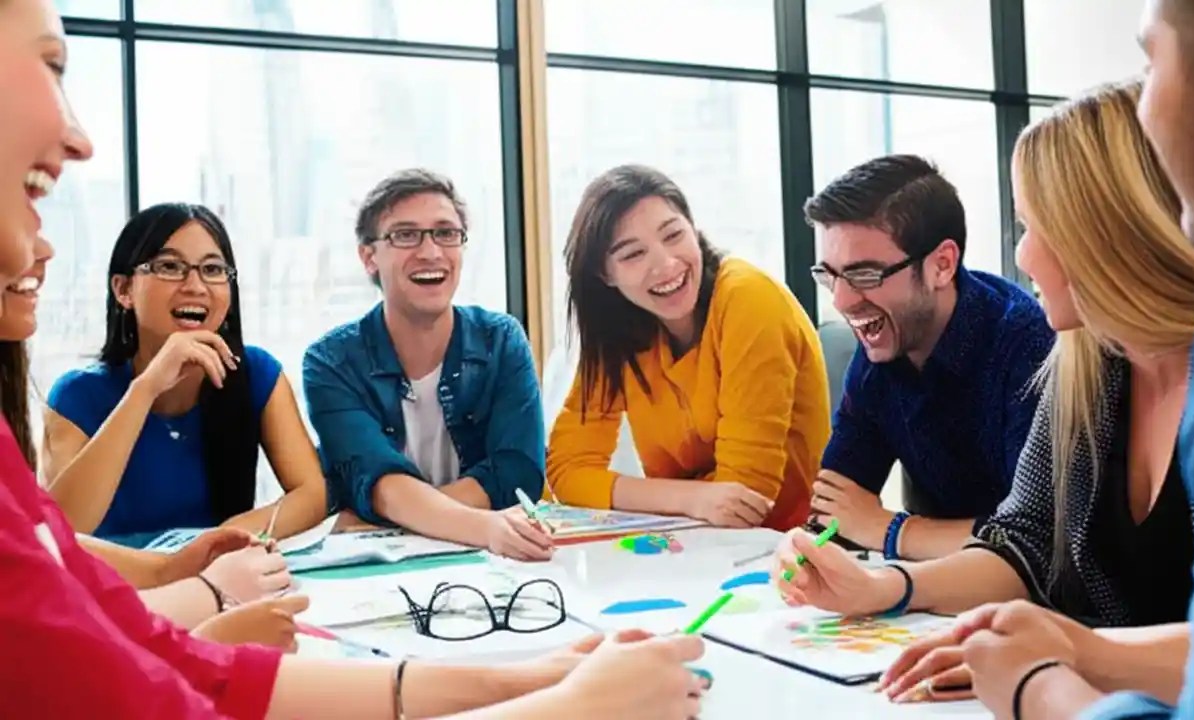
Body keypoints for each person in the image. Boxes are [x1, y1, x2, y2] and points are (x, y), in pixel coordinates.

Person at [1, 2, 707, 718]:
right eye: (406, 236)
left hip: (235, 584)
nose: (197, 287)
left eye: (214, 270)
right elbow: (67, 536)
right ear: (369, 257)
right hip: (214, 588)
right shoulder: (313, 360)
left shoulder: (469, 344)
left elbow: (382, 489)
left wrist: (528, 679)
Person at [773, 80, 1194, 701]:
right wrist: (887, 587)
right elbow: (1020, 544)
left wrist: (1074, 655)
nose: (1020, 255)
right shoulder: (1088, 366)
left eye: (1033, 225)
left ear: (1109, 231)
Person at [942, 2, 1194, 719]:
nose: (1020, 254)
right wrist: (1076, 651)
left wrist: (1039, 688)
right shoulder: (1084, 368)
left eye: (1151, 64)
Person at [546, 164, 830, 531]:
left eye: (674, 235)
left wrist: (658, 499)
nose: (666, 264)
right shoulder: (619, 330)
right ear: (605, 275)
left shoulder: (749, 299)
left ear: (693, 228)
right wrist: (694, 499)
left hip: (784, 545)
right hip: (690, 540)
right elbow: (568, 472)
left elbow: (745, 497)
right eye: (633, 255)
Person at [806, 155, 1054, 560]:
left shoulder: (1028, 347)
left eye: (865, 275)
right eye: (829, 275)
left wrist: (890, 529)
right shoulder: (883, 341)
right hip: (932, 594)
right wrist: (804, 550)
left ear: (942, 265)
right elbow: (837, 509)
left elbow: (1036, 540)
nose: (841, 300)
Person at [40, 202, 327, 547]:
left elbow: (311, 495)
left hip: (218, 580)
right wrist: (145, 389)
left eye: (213, 269)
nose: (195, 285)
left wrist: (219, 540)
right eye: (170, 266)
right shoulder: (76, 395)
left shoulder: (254, 373)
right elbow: (62, 529)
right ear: (123, 289)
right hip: (117, 587)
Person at [303, 169, 553, 561]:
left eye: (445, 233)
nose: (431, 251)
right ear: (369, 257)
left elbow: (517, 471)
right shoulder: (330, 362)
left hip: (493, 560)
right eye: (405, 235)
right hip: (381, 570)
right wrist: (479, 526)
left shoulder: (501, 340)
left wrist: (402, 519)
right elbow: (377, 480)